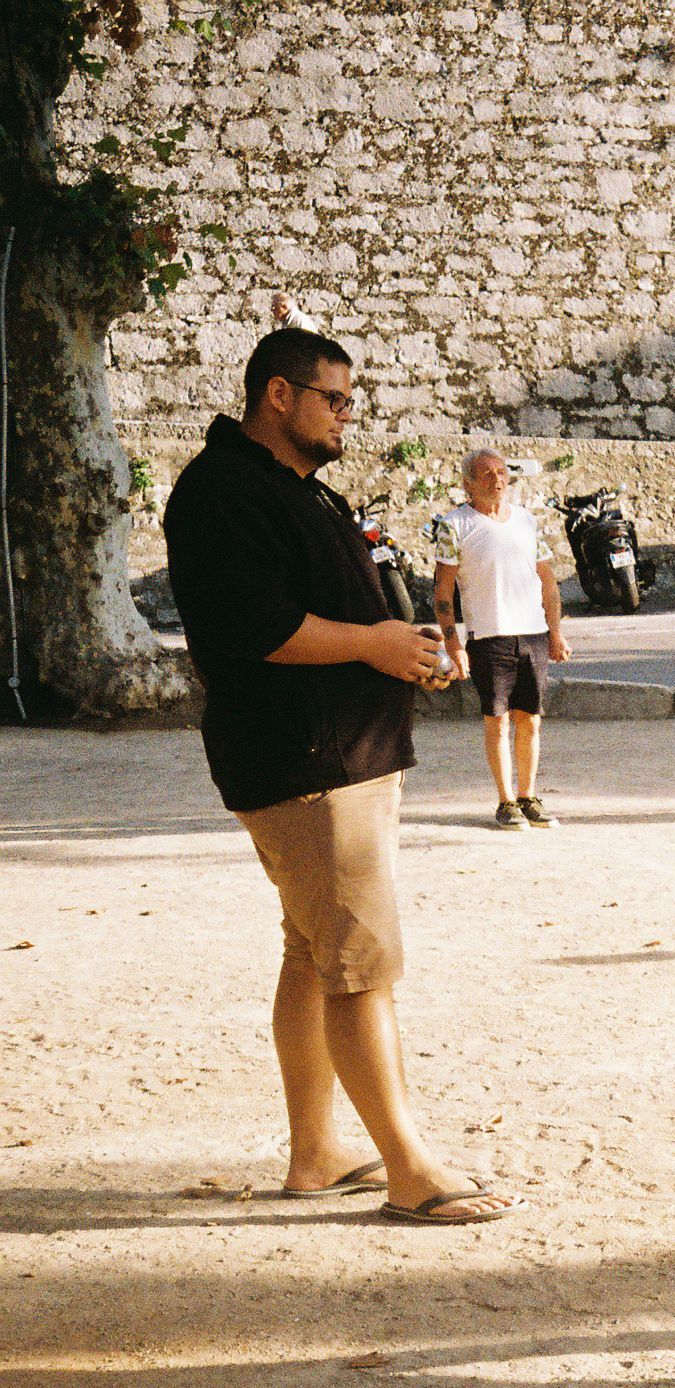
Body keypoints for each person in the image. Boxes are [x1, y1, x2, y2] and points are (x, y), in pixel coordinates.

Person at [164, 328, 526, 1225]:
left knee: (314, 951)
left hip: (338, 754)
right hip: (306, 761)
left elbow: (345, 612)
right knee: (361, 968)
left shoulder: (298, 491)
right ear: (277, 396)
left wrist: (408, 650)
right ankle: (410, 1168)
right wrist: (373, 642)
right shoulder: (221, 492)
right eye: (335, 399)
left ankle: (316, 1150)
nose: (347, 415)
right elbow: (256, 627)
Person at [434, 449, 570, 829]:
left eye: (502, 473)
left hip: (533, 635)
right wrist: (453, 645)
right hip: (488, 635)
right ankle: (505, 801)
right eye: (486, 474)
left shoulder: (526, 521)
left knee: (531, 720)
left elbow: (547, 581)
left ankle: (527, 797)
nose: (497, 480)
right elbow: (443, 592)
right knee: (497, 721)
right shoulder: (455, 525)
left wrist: (555, 632)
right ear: (469, 484)